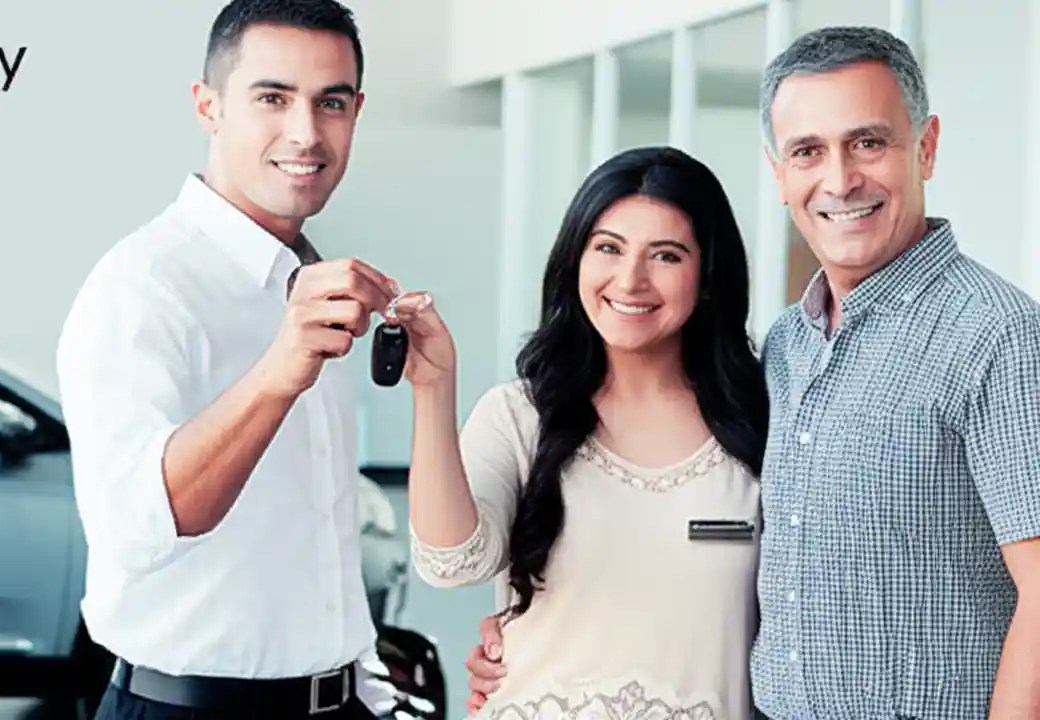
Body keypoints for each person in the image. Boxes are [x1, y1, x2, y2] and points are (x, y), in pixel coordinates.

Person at [467, 25, 1040, 720]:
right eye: (808, 151)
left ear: (926, 146)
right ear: (779, 174)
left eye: (868, 142)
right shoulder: (784, 349)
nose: (839, 179)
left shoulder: (997, 333)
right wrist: (534, 639)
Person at [55, 1, 396, 718]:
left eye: (330, 102)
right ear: (208, 106)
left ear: (356, 112)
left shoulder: (308, 279)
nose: (305, 133)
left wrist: (367, 688)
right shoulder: (141, 288)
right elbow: (138, 525)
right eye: (272, 97)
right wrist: (278, 372)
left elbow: (311, 541)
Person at [386, 146, 770, 719]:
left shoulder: (763, 426)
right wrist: (433, 390)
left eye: (665, 255)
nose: (631, 279)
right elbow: (452, 564)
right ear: (576, 263)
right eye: (608, 248)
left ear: (708, 276)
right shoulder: (518, 416)